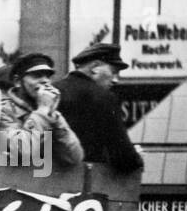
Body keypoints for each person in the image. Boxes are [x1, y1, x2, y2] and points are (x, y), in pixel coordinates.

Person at [54, 43, 143, 173]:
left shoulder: (52, 92)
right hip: (89, 181)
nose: (115, 80)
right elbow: (122, 156)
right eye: (113, 72)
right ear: (95, 67)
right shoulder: (104, 98)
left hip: (47, 177)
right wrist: (137, 159)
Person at [0, 53, 84, 169]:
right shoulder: (3, 110)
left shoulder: (47, 111)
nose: (45, 81)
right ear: (17, 81)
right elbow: (23, 151)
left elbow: (74, 157)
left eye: (48, 76)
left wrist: (54, 117)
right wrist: (43, 111)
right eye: (37, 76)